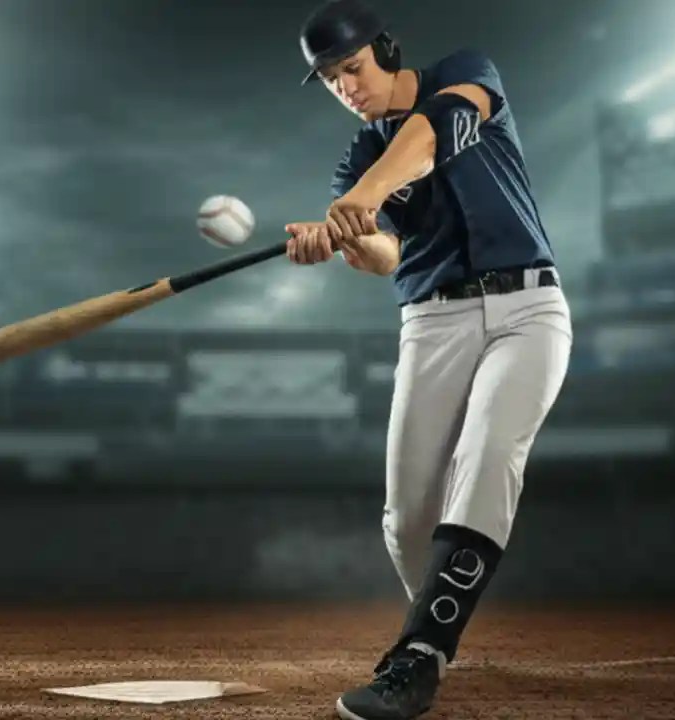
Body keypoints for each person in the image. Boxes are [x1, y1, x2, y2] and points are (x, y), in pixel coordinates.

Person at [284, 2, 574, 718]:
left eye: (353, 67)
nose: (346, 87)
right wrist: (344, 237)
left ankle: (419, 654)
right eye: (331, 79)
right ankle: (439, 622)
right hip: (432, 321)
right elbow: (384, 255)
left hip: (528, 309)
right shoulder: (356, 157)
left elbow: (433, 133)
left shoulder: (465, 73)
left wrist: (365, 195)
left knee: (488, 455)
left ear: (385, 50)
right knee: (407, 519)